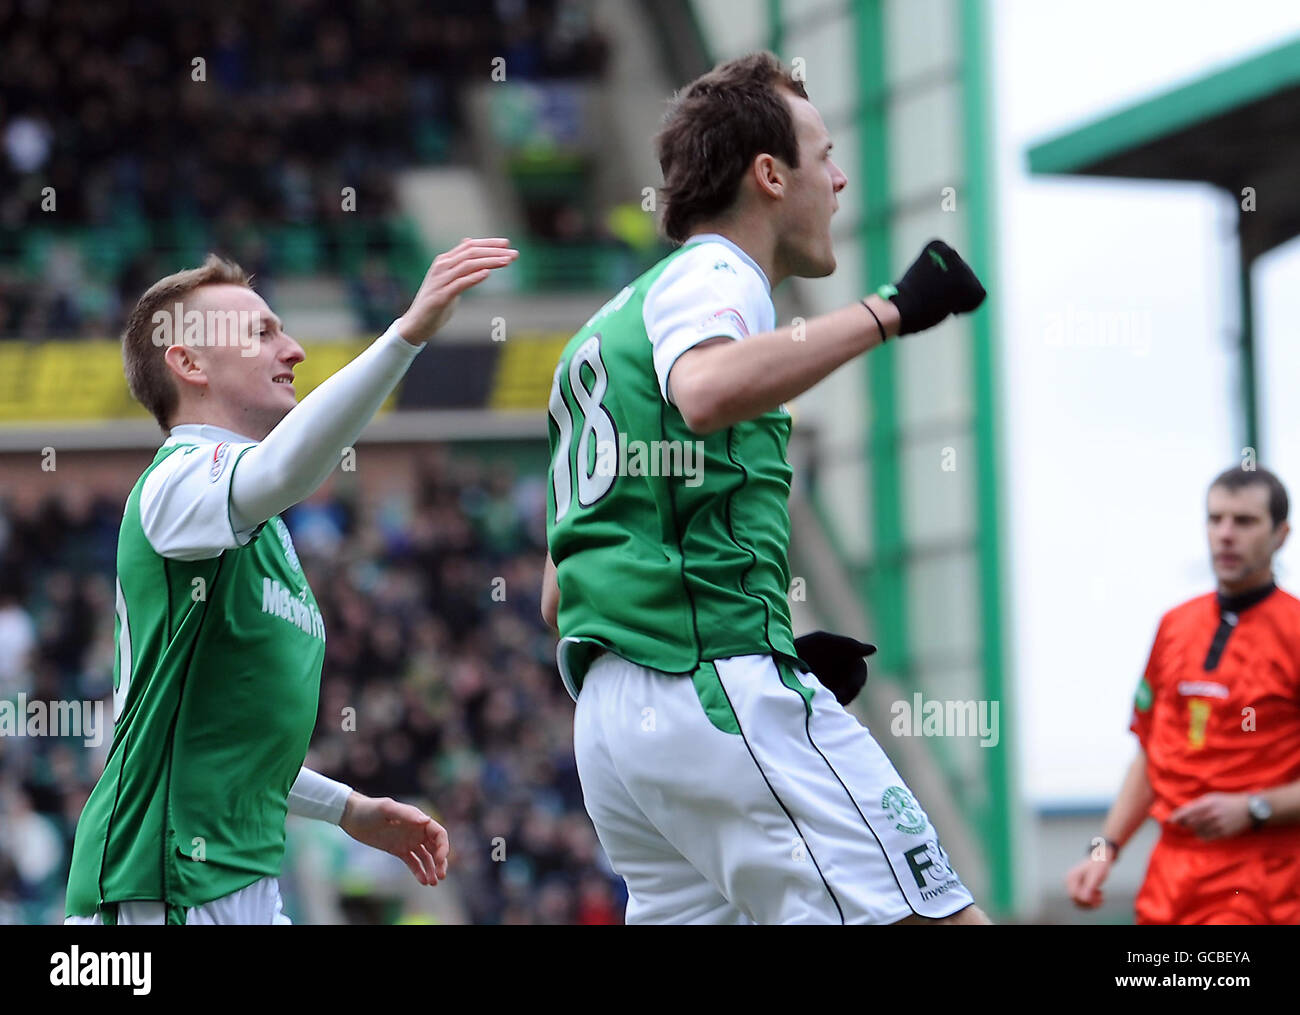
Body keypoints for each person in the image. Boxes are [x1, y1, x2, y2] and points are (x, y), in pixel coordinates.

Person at [540, 52, 989, 925]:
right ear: (771, 174)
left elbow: (564, 593)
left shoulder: (604, 331)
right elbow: (706, 392)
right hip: (709, 681)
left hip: (615, 725)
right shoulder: (718, 277)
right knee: (939, 917)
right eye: (824, 155)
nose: (842, 177)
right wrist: (894, 309)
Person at [65, 238, 518, 924]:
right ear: (188, 363)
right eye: (261, 331)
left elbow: (218, 742)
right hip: (157, 885)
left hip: (242, 882)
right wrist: (406, 333)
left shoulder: (255, 526)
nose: (295, 348)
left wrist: (349, 808)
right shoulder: (177, 481)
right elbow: (284, 470)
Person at [1065, 465, 1300, 924]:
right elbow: (1152, 753)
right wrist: (1103, 849)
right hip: (1169, 884)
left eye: (1245, 521)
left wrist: (1255, 807)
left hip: (1263, 888)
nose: (1226, 534)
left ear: (1280, 535)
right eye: (1215, 519)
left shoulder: (1294, 631)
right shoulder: (1175, 625)